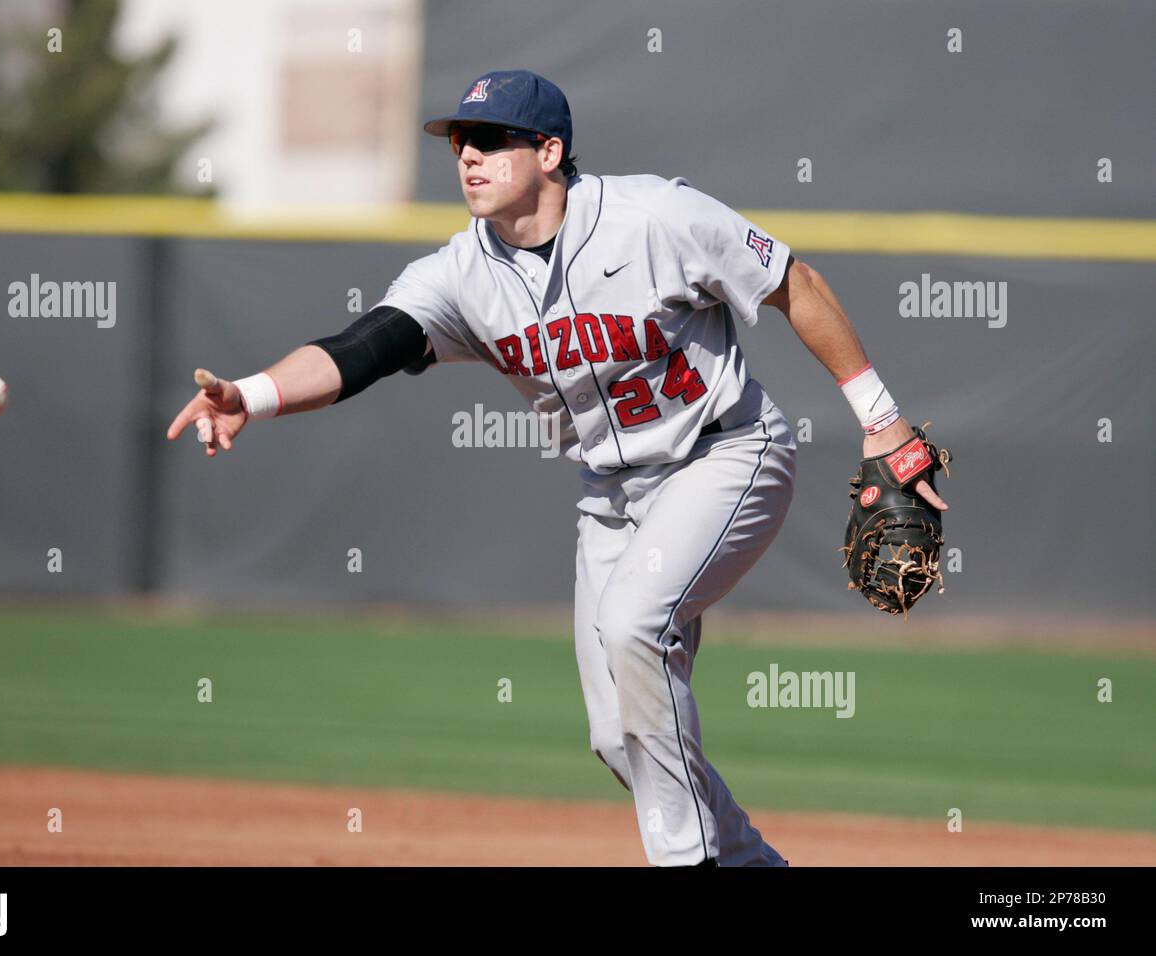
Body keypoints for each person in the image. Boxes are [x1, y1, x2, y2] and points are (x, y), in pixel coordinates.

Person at [166, 69, 948, 867]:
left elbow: (797, 286)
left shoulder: (656, 216)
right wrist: (252, 396)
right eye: (460, 142)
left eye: (492, 140)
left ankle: (689, 864)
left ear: (550, 150)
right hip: (612, 496)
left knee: (636, 623)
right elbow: (361, 349)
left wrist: (884, 424)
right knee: (620, 739)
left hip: (726, 454)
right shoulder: (459, 274)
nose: (468, 156)